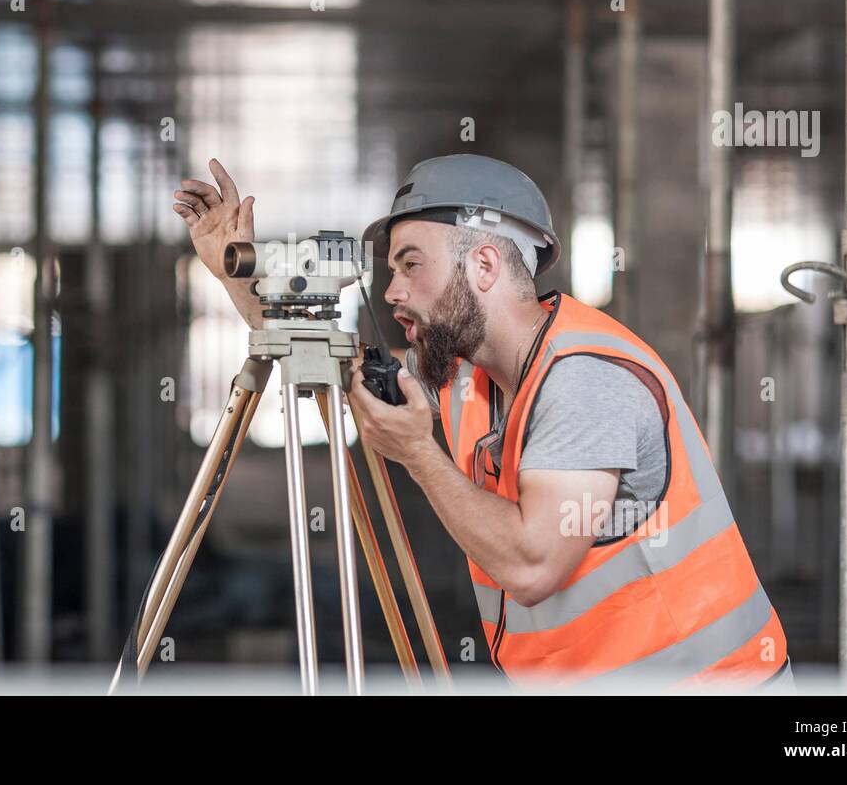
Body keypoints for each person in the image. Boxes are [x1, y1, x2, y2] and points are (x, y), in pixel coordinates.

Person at [173, 154, 793, 691]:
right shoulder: (465, 371)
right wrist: (239, 278)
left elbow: (531, 566)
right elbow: (339, 374)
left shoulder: (584, 379)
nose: (391, 291)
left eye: (410, 264)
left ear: (485, 267)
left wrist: (419, 454)